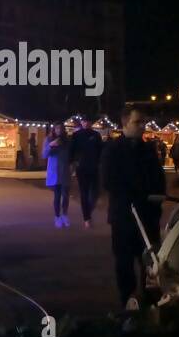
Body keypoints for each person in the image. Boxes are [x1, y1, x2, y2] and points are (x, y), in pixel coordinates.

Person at [101, 107, 166, 309]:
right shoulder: (113, 149)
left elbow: (158, 178)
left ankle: (149, 300)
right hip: (125, 216)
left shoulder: (148, 149)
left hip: (148, 216)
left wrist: (156, 200)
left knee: (150, 263)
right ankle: (127, 302)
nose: (142, 126)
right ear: (125, 123)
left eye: (143, 122)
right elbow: (109, 181)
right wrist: (133, 195)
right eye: (137, 122)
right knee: (124, 262)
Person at [70, 115, 104, 228]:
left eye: (88, 121)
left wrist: (100, 163)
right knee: (84, 193)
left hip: (94, 167)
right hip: (82, 168)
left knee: (96, 193)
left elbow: (101, 150)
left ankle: (88, 212)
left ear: (90, 123)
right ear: (82, 123)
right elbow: (72, 151)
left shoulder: (96, 135)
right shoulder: (76, 135)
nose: (86, 123)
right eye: (84, 121)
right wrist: (72, 164)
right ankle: (86, 218)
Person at [43, 122, 72, 228]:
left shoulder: (67, 141)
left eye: (61, 129)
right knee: (57, 195)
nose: (59, 130)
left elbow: (71, 155)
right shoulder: (49, 139)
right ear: (54, 130)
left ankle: (65, 215)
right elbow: (44, 154)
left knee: (66, 195)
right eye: (57, 129)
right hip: (55, 172)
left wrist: (72, 166)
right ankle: (57, 217)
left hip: (65, 171)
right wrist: (51, 145)